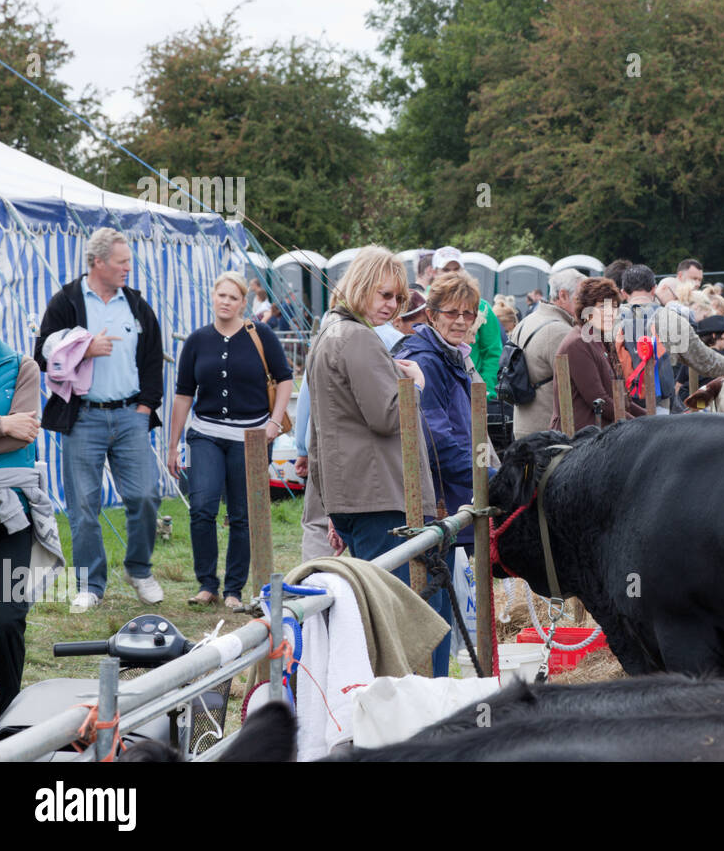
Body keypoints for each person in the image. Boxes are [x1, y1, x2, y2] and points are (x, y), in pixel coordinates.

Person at [34, 227, 164, 612]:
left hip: (130, 416)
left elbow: (153, 358)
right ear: (98, 263)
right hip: (83, 417)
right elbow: (43, 355)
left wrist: (145, 408)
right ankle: (90, 584)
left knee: (145, 495)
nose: (129, 268)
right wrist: (85, 349)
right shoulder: (67, 302)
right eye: (122, 262)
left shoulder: (136, 305)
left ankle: (139, 569)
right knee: (83, 505)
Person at [306, 246, 434, 582]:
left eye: (398, 298)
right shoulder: (359, 337)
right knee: (397, 609)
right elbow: (389, 417)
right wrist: (417, 385)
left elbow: (318, 432)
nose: (392, 305)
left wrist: (330, 503)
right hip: (379, 500)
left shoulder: (329, 332)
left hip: (352, 497)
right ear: (361, 285)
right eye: (385, 294)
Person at [167, 272, 293, 609]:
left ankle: (234, 590)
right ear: (213, 297)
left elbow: (284, 380)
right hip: (205, 432)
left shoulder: (260, 335)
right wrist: (172, 444)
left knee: (242, 514)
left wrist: (274, 422)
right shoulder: (197, 341)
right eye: (220, 295)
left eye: (232, 297)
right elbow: (182, 394)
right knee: (202, 508)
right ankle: (207, 583)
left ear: (243, 302)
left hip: (251, 436)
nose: (225, 302)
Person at [393, 271, 489, 677]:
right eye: (452, 312)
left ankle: (436, 687)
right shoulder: (426, 357)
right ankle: (427, 692)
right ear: (431, 314)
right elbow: (434, 437)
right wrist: (484, 479)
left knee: (443, 602)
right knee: (430, 606)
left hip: (450, 493)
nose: (462, 321)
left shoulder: (452, 354)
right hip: (431, 499)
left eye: (469, 313)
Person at [0, 280, 60, 720]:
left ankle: (8, 718)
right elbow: (8, 433)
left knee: (7, 620)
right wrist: (0, 425)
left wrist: (11, 429)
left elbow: (25, 432)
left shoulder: (21, 367)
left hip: (9, 517)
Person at [618, 265, 724, 412]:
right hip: (660, 408)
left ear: (623, 293)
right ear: (654, 289)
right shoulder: (672, 319)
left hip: (619, 408)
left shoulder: (608, 321)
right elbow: (704, 360)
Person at [552, 278, 647, 431]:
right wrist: (641, 425)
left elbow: (620, 400)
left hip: (599, 434)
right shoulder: (578, 343)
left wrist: (652, 419)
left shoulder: (601, 339)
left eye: (614, 307)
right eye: (603, 307)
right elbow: (599, 400)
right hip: (579, 439)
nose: (610, 313)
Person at [509, 268, 582, 439]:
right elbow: (579, 386)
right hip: (548, 433)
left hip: (523, 426)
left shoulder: (528, 320)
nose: (587, 304)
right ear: (563, 295)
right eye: (581, 297)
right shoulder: (560, 331)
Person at [431, 246, 502, 398]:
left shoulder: (483, 307)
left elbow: (493, 352)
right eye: (446, 269)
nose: (452, 273)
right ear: (434, 272)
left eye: (456, 268)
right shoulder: (427, 305)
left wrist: (485, 391)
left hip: (473, 392)